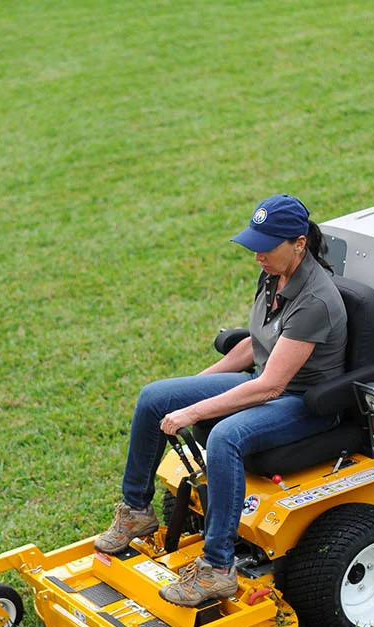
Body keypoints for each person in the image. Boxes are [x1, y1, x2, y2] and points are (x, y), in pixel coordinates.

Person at [93, 194, 348, 606]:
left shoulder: (315, 300)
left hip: (304, 403)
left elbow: (271, 386)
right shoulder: (274, 275)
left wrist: (193, 411)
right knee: (155, 396)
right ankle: (136, 511)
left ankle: (217, 570)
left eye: (266, 246)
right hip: (264, 379)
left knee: (225, 437)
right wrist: (189, 388)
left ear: (299, 243)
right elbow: (255, 345)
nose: (257, 255)